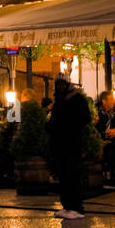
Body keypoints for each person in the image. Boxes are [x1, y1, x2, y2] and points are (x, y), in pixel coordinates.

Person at [49, 73, 91, 220]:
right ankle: (67, 206)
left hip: (72, 144)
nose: (60, 87)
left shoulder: (76, 99)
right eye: (58, 85)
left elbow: (85, 119)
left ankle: (76, 207)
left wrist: (69, 126)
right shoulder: (60, 100)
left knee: (72, 175)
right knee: (64, 176)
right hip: (61, 145)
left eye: (62, 84)